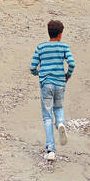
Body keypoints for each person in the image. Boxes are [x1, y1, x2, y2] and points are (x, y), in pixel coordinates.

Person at [30, 19, 75, 162]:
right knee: (59, 107)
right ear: (60, 34)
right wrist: (67, 75)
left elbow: (32, 67)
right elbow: (72, 63)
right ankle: (61, 122)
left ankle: (51, 150)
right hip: (60, 84)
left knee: (47, 116)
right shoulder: (64, 47)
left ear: (49, 32)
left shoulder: (41, 47)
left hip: (46, 84)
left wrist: (39, 74)